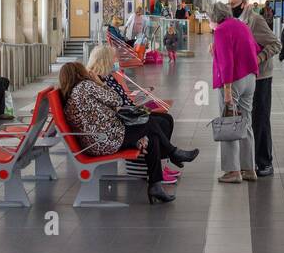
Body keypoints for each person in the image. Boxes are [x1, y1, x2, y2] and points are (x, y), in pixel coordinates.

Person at [56, 61, 197, 205]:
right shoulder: (85, 86)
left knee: (152, 135)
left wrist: (136, 138)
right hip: (108, 139)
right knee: (149, 121)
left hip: (96, 143)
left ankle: (156, 186)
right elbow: (116, 99)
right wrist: (100, 83)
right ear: (80, 73)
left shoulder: (71, 96)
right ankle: (173, 153)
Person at [86, 44, 181, 183]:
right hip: (124, 118)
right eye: (113, 59)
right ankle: (168, 159)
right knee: (157, 123)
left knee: (166, 119)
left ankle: (166, 161)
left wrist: (139, 98)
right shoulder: (96, 82)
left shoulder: (108, 77)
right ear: (104, 61)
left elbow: (121, 97)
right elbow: (113, 105)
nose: (116, 62)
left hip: (128, 112)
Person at [230, 0, 280, 177]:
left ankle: (265, 162)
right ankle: (248, 161)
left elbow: (276, 44)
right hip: (244, 77)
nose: (230, 8)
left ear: (244, 4)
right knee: (247, 119)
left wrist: (258, 59)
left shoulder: (256, 20)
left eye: (233, 5)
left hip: (261, 77)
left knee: (260, 119)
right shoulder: (235, 20)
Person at [209, 0, 260, 183]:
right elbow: (255, 48)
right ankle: (249, 168)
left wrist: (228, 89)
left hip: (234, 81)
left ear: (214, 17)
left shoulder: (221, 30)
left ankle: (232, 171)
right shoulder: (241, 25)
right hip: (250, 78)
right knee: (245, 122)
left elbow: (227, 61)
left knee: (229, 123)